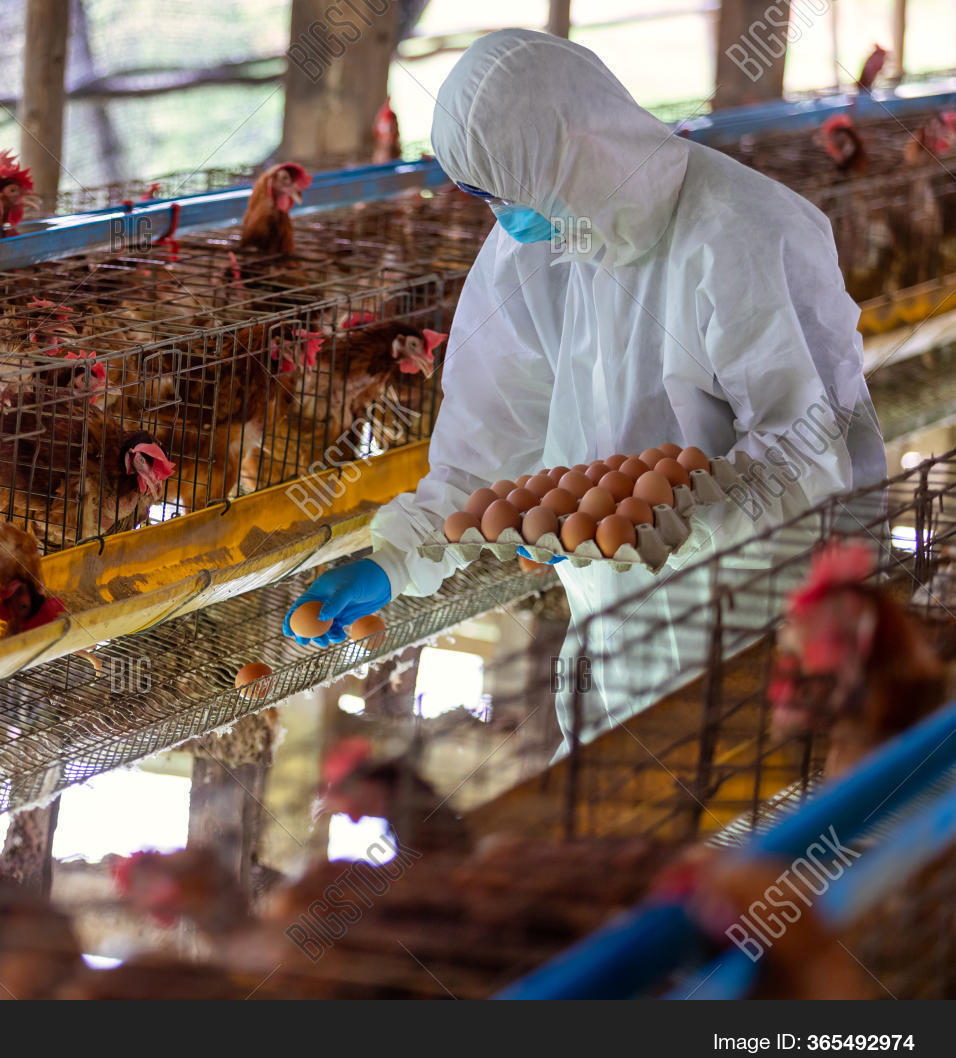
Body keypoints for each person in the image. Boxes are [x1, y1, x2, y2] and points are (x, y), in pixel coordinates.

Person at [283, 29, 884, 748]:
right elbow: (488, 451)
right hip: (612, 657)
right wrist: (396, 559)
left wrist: (664, 524)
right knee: (614, 837)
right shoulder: (529, 250)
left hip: (768, 642)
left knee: (757, 837)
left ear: (580, 150)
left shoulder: (745, 233)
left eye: (517, 191)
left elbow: (813, 461)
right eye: (487, 196)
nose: (507, 217)